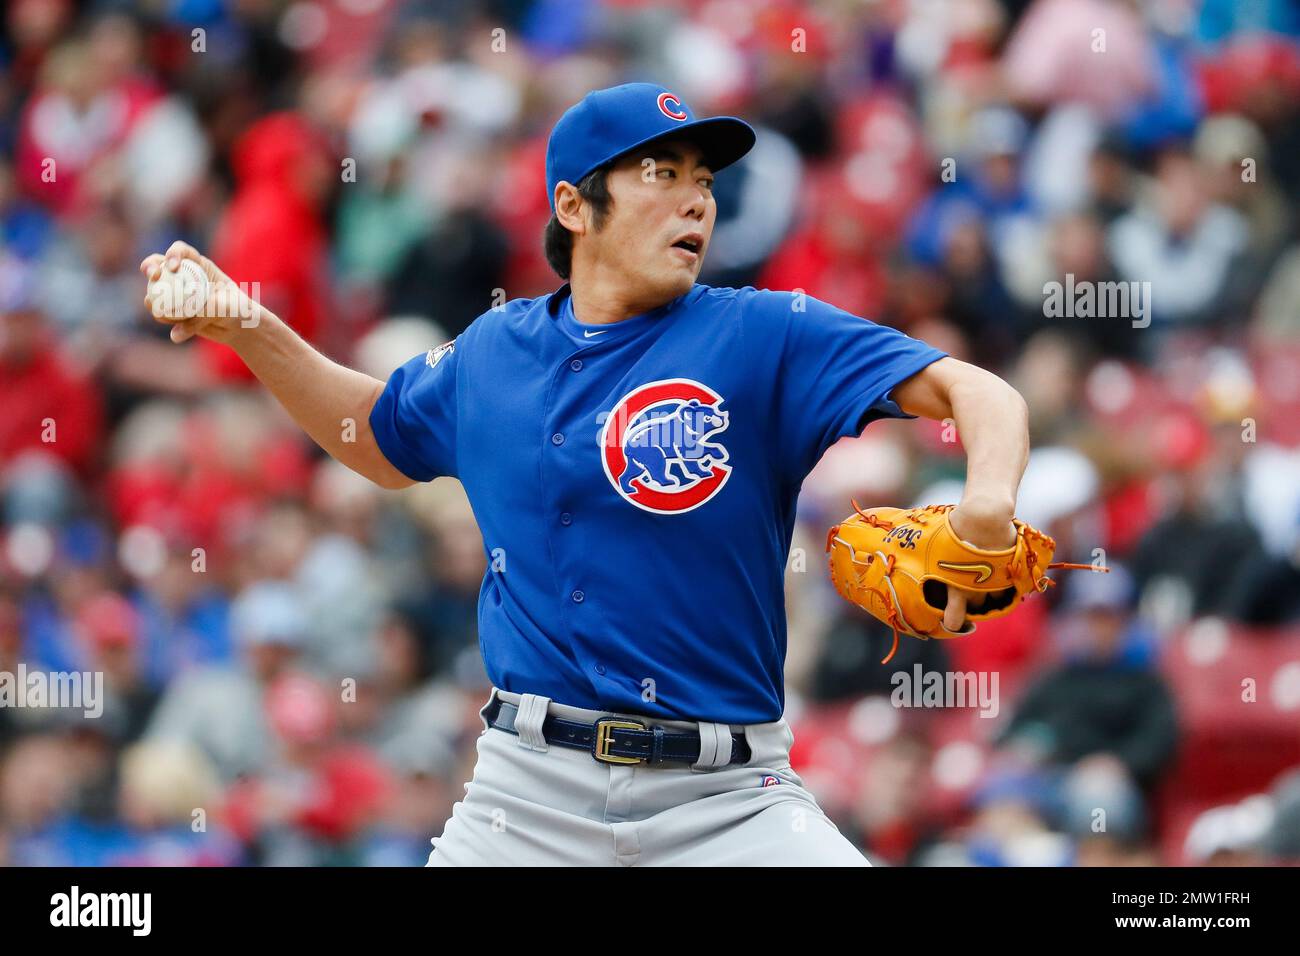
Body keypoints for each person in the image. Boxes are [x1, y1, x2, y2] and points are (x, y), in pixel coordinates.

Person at [140, 83, 1031, 866]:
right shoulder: (494, 351)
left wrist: (986, 507)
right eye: (662, 173)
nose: (696, 201)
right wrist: (246, 326)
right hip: (525, 799)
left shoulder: (763, 334)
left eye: (704, 182)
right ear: (573, 204)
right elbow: (371, 435)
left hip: (726, 803)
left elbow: (974, 390)